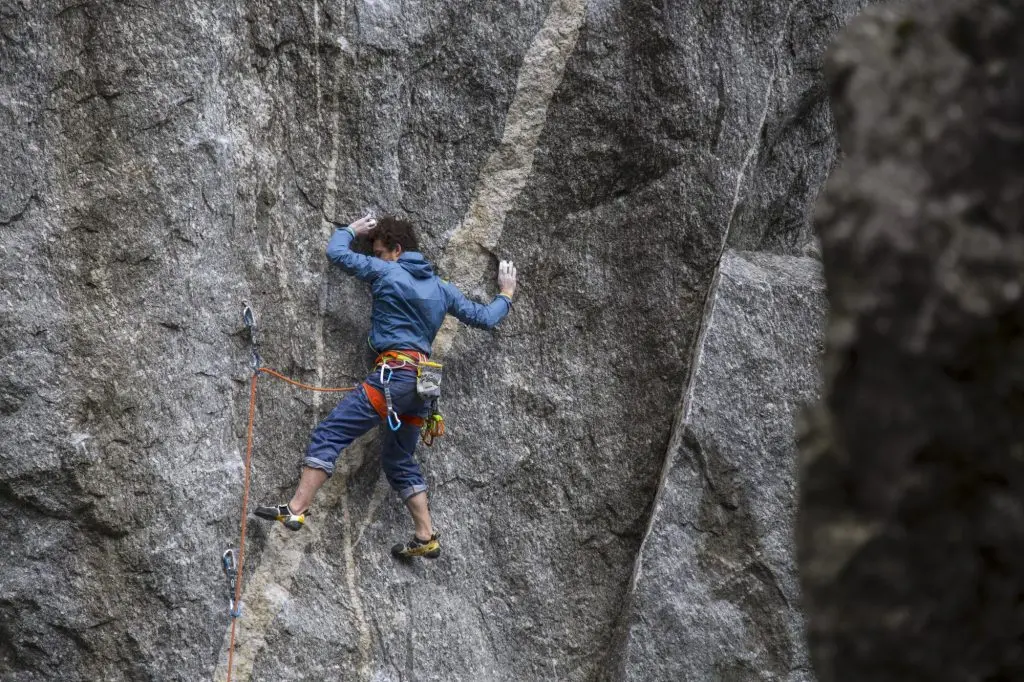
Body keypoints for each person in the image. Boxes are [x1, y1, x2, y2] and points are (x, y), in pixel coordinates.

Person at [254, 214, 517, 558]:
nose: (375, 258)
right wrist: (507, 293)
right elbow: (484, 317)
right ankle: (425, 536)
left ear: (395, 250)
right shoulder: (442, 287)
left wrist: (351, 231)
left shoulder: (387, 270)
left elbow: (337, 253)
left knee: (330, 434)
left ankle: (296, 509)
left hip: (395, 374)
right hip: (425, 383)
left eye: (378, 252)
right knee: (398, 458)